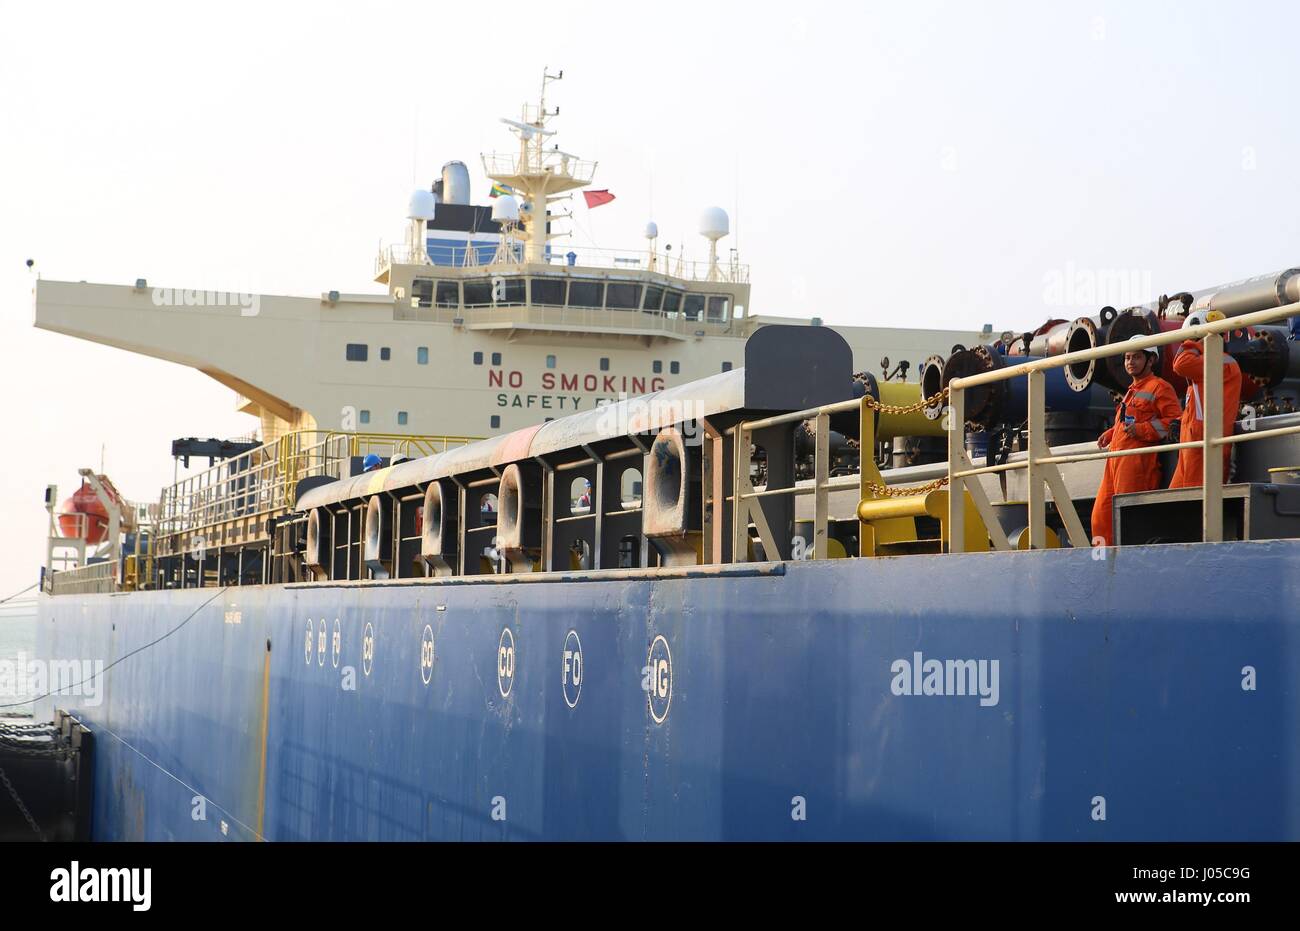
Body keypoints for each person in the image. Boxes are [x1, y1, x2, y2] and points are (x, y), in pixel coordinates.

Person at [1090, 335, 1182, 546]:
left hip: (1137, 465)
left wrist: (1141, 430)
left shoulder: (1160, 387)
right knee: (1100, 517)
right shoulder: (1131, 392)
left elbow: (1175, 421)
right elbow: (1128, 421)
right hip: (1115, 462)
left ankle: (1125, 568)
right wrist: (1112, 432)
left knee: (1128, 518)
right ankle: (1101, 565)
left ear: (1151, 360)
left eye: (1137, 357)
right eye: (1127, 358)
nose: (1130, 362)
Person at [1168, 314, 1243, 488]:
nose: (1185, 344)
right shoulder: (1206, 366)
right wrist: (1180, 421)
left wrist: (1194, 341)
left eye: (1190, 338)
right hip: (1194, 444)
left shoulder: (1220, 361)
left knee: (1194, 506)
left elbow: (1180, 364)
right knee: (1176, 503)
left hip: (1205, 446)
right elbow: (1200, 404)